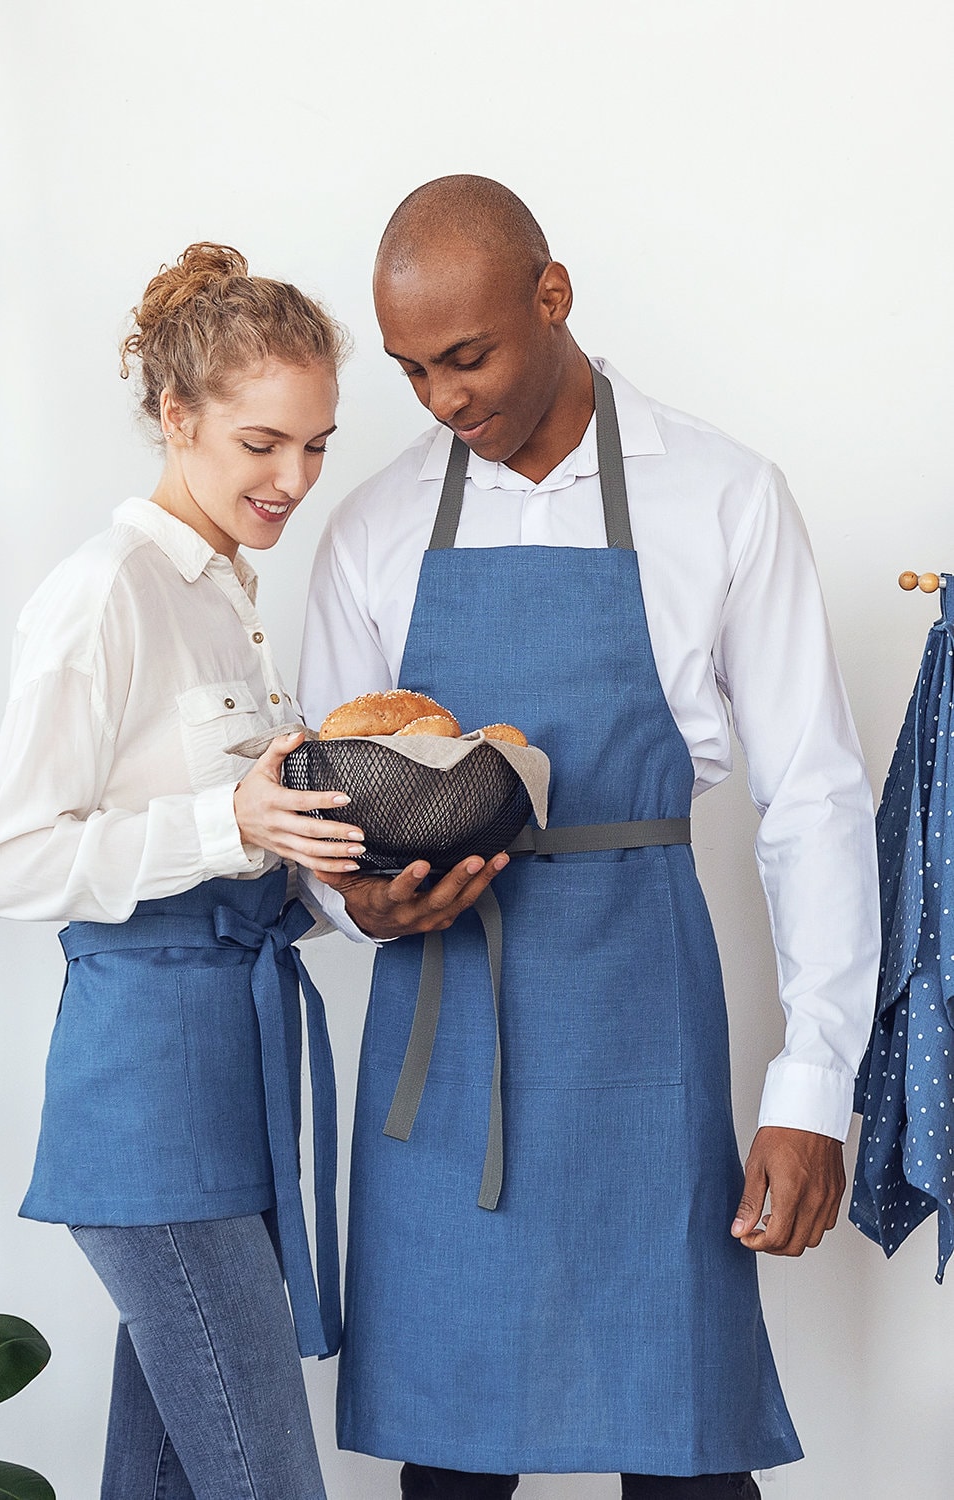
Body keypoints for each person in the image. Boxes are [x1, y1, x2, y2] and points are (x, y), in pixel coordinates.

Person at [297, 177, 879, 1499]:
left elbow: (814, 800)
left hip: (642, 1024)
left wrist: (812, 1087)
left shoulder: (726, 496)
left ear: (551, 298)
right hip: (441, 1045)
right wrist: (358, 909)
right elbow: (323, 812)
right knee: (449, 1466)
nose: (444, 398)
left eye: (469, 356)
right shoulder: (376, 529)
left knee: (683, 1449)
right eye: (410, 371)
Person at [0, 243, 356, 1500]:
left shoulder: (230, 598)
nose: (292, 479)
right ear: (175, 416)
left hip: (234, 1080)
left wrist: (348, 872)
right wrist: (228, 827)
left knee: (170, 1481)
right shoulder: (104, 594)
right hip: (144, 1093)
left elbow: (248, 833)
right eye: (261, 444)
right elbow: (15, 859)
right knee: (264, 1478)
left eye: (315, 444)